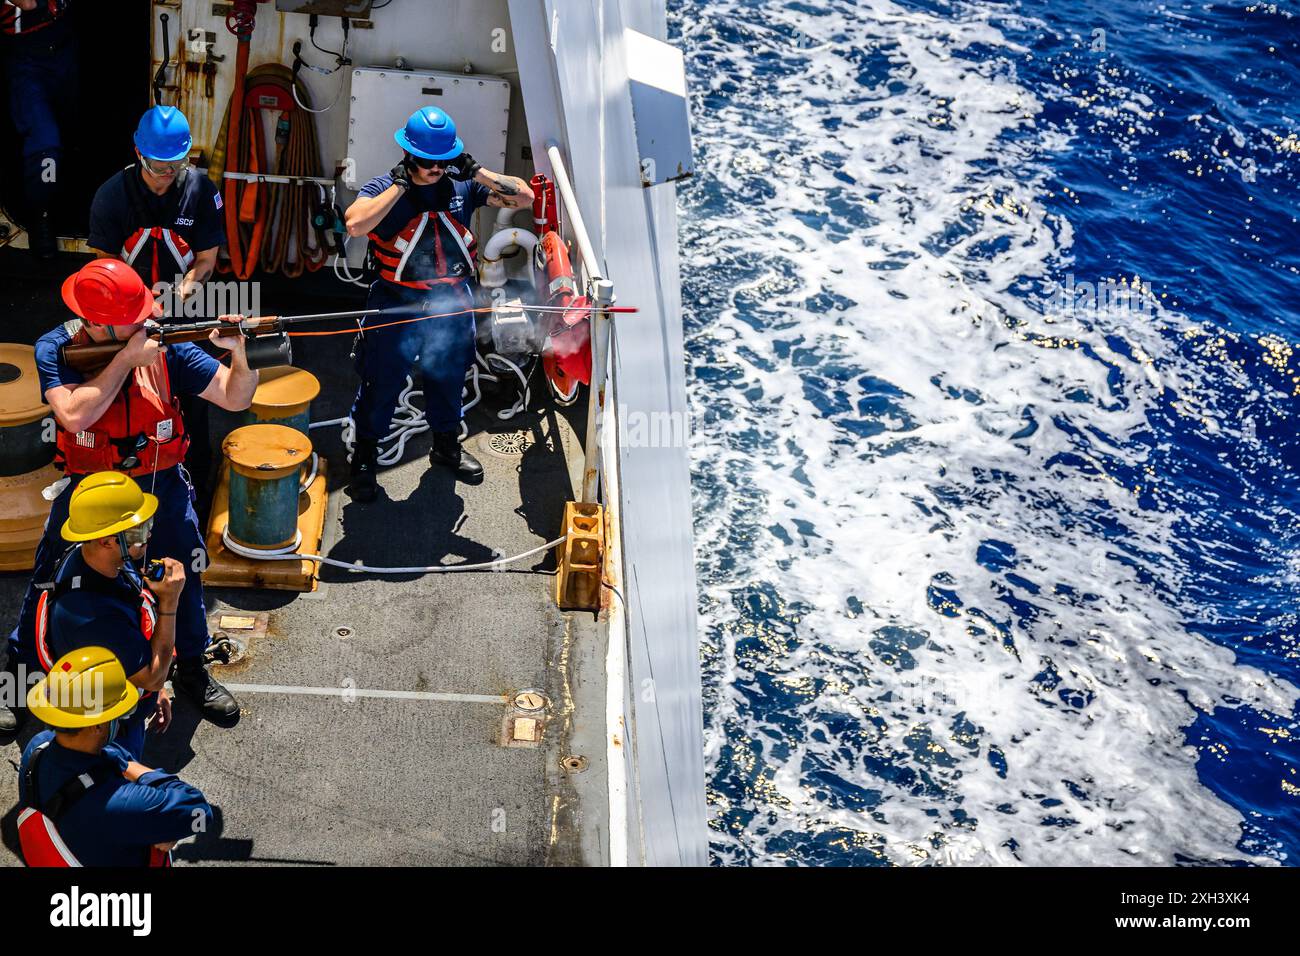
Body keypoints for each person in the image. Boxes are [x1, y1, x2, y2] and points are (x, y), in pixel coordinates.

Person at [9, 257, 256, 722]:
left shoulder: (165, 343)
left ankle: (192, 670)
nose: (149, 318)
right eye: (134, 315)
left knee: (186, 572)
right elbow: (75, 415)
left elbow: (235, 396)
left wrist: (240, 353)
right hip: (89, 488)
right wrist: (127, 359)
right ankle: (18, 676)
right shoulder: (56, 347)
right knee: (48, 574)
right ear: (97, 322)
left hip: (160, 484)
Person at [343, 105, 534, 500]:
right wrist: (400, 187)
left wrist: (475, 171)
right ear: (409, 155)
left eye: (444, 160)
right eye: (429, 162)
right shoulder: (383, 188)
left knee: (448, 377)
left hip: (451, 302)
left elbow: (525, 198)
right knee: (382, 380)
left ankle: (446, 447)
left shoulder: (463, 186)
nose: (437, 169)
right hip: (396, 301)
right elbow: (356, 224)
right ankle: (365, 457)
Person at [88, 105, 227, 493]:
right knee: (126, 399)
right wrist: (138, 313)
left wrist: (178, 297)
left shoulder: (202, 192)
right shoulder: (111, 196)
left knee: (194, 404)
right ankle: (121, 479)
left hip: (186, 311)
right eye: (158, 166)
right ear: (138, 153)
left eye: (175, 165)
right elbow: (106, 267)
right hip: (127, 316)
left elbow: (205, 261)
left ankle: (198, 482)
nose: (167, 175)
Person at [34, 472, 186, 760]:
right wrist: (170, 601)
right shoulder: (92, 618)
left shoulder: (98, 560)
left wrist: (157, 693)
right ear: (105, 540)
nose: (149, 534)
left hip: (123, 699)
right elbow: (151, 676)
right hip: (107, 733)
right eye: (138, 530)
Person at [18, 645, 212, 867]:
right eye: (118, 714)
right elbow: (200, 814)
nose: (119, 721)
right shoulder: (123, 803)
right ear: (98, 725)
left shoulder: (36, 747)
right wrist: (132, 770)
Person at [0, 0, 77, 258]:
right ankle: (41, 215)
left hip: (65, 44)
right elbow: (29, 2)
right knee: (46, 145)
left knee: (71, 130)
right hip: (26, 59)